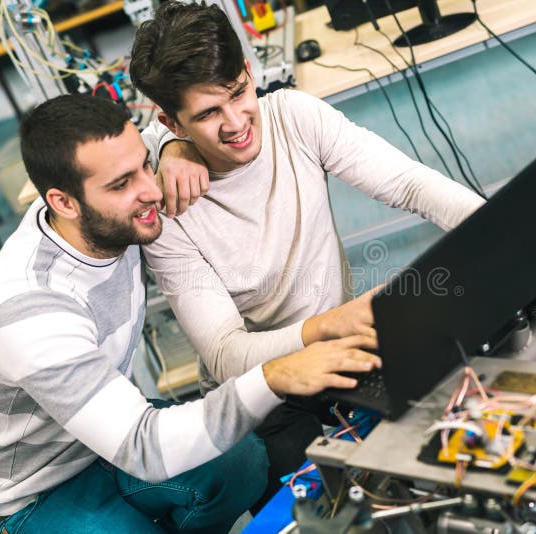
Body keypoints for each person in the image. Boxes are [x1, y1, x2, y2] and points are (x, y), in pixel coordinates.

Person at [0, 94, 381, 533]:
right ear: (63, 202)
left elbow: (162, 130)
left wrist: (171, 149)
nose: (152, 190)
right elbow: (144, 447)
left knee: (244, 462)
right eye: (122, 184)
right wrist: (275, 375)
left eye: (144, 165)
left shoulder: (96, 210)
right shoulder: (28, 310)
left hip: (112, 428)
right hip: (41, 483)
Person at [127, 1, 496, 499]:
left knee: (463, 449)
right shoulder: (169, 212)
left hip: (349, 350)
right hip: (266, 395)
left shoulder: (294, 117)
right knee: (330, 510)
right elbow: (226, 353)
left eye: (239, 93)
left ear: (249, 71)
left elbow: (409, 185)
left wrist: (501, 229)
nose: (237, 122)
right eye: (209, 114)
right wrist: (324, 329)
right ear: (173, 124)